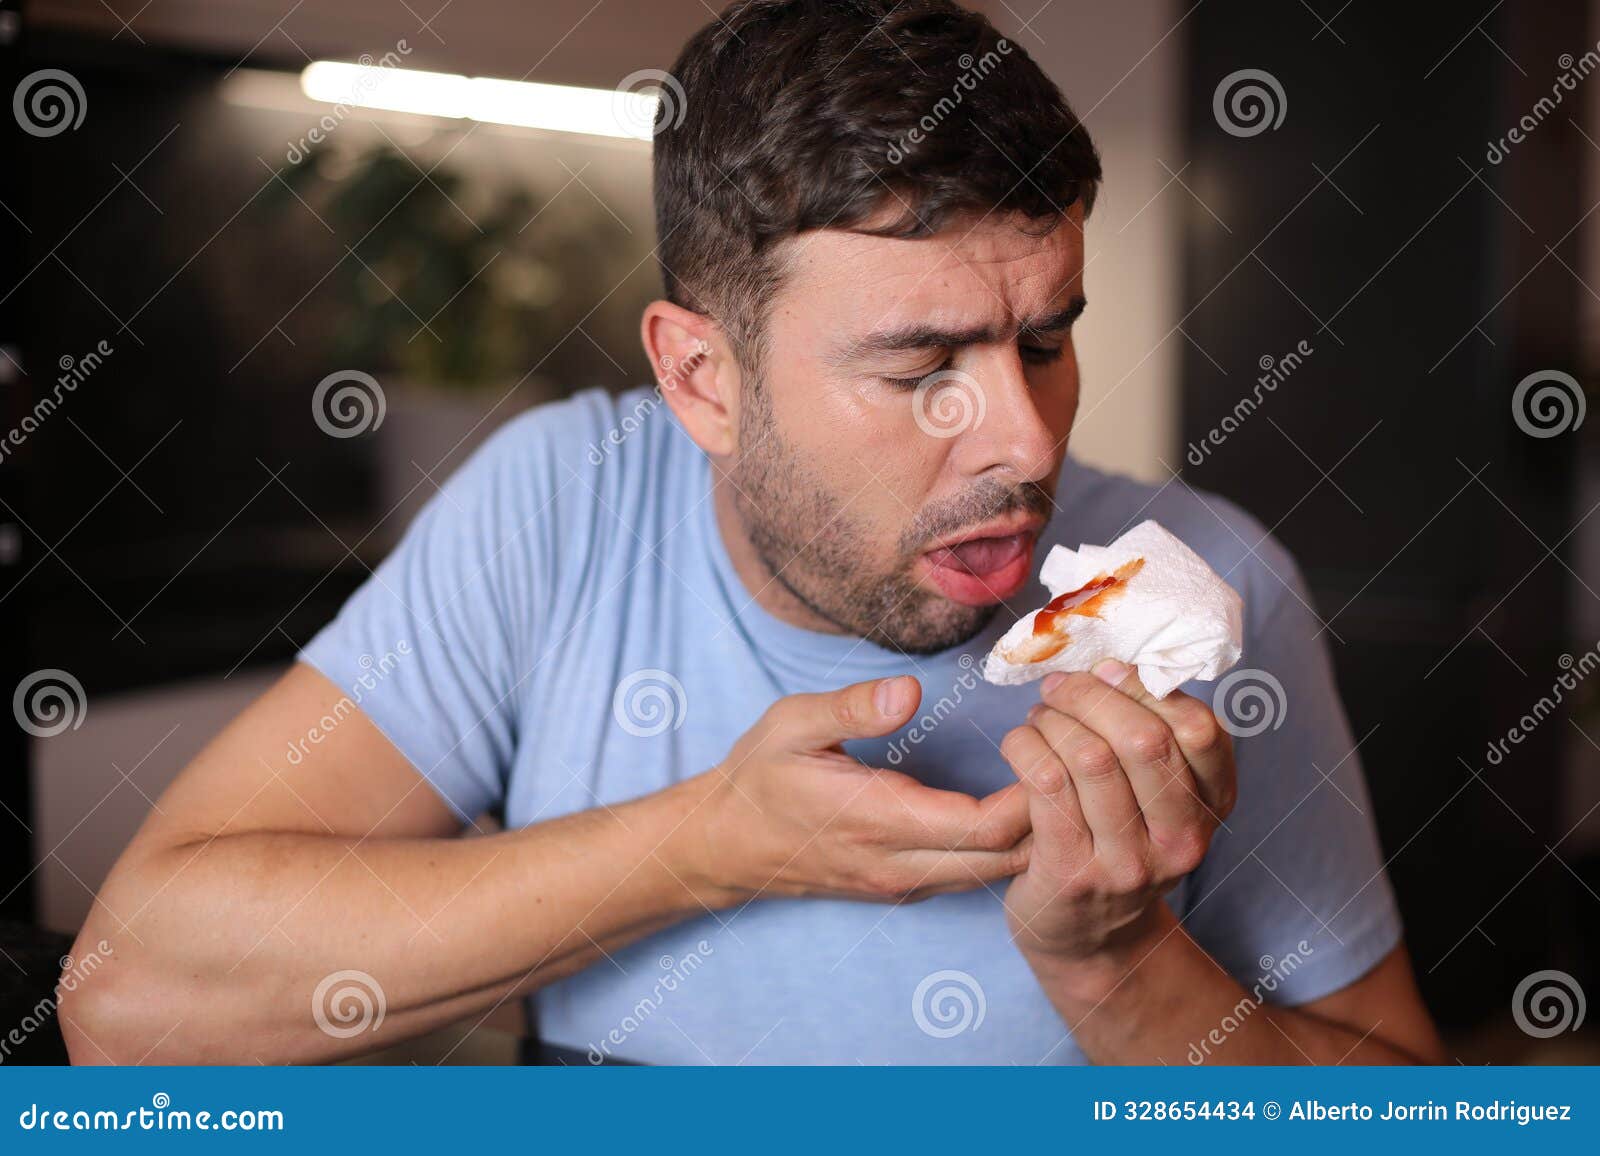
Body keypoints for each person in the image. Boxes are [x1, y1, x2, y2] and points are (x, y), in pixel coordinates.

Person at [62, 0, 1443, 1065]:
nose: (1027, 443)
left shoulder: (1214, 585)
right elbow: (129, 1001)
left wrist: (1121, 965)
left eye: (1045, 339)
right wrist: (705, 844)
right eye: (922, 370)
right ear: (701, 381)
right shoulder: (563, 505)